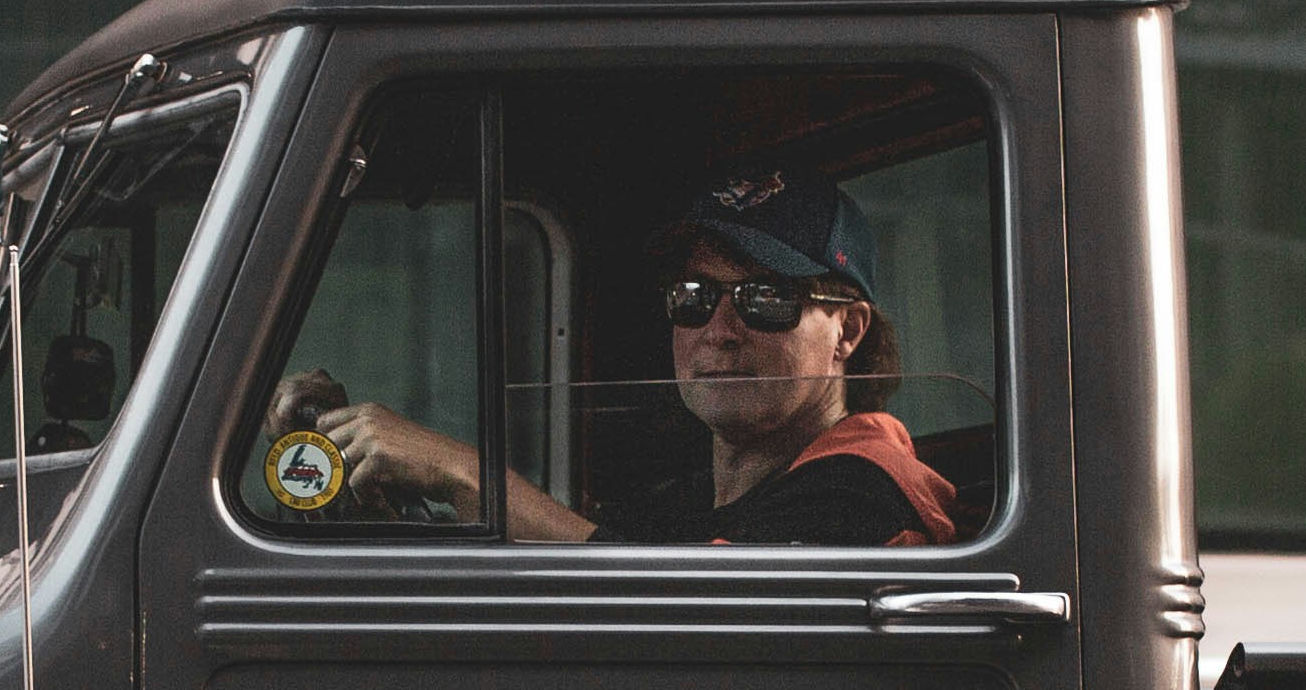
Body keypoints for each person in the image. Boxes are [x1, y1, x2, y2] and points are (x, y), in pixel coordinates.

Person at [265, 161, 960, 545]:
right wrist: (379, 494)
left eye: (764, 299)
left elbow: (689, 628)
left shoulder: (865, 493)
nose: (718, 329)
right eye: (692, 296)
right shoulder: (691, 503)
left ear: (849, 330)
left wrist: (463, 472)